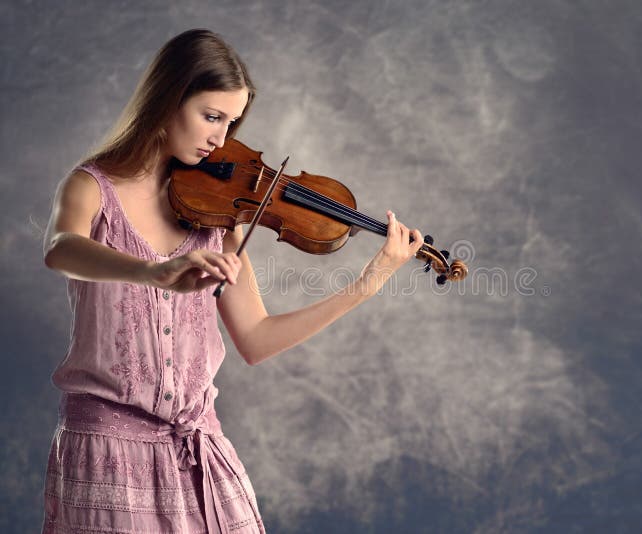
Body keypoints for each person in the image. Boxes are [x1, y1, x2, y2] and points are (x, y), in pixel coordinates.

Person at [41, 28, 424, 533]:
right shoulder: (92, 186)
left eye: (232, 122)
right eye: (211, 116)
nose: (221, 140)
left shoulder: (220, 215)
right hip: (108, 456)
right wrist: (151, 272)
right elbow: (60, 249)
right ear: (167, 99)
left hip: (200, 455)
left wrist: (367, 284)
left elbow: (256, 339)